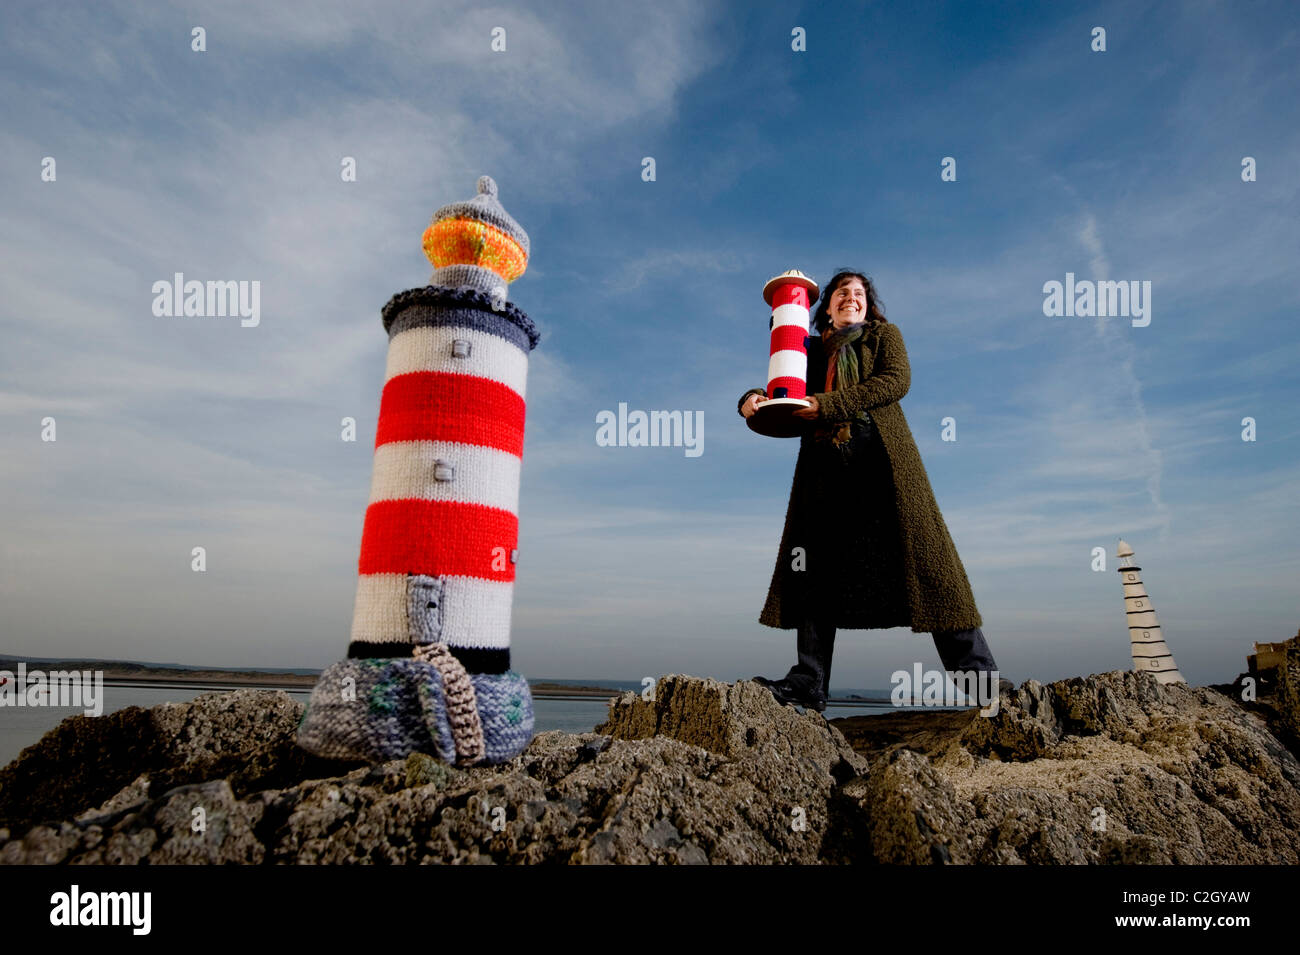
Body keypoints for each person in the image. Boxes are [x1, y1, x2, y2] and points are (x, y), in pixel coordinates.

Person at [739, 269, 1010, 713]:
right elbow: (783, 388)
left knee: (933, 570)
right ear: (824, 306)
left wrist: (825, 405)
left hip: (886, 467)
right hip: (825, 472)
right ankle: (808, 683)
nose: (851, 298)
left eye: (859, 293)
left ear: (869, 304)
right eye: (842, 293)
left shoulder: (883, 336)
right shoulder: (807, 349)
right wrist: (750, 399)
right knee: (814, 571)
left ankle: (984, 686)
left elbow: (894, 382)